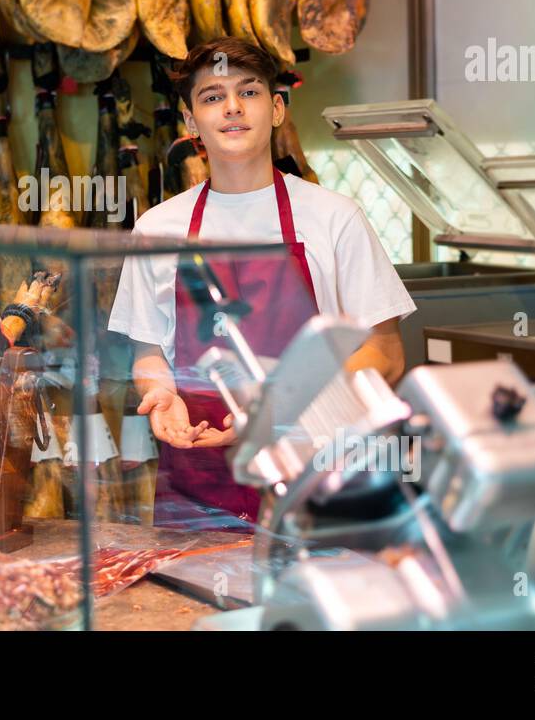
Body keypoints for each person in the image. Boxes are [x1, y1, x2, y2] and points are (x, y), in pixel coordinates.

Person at [107, 38, 416, 528]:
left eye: (248, 93)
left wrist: (281, 413)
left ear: (275, 109)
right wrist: (161, 396)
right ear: (190, 123)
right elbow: (149, 352)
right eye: (211, 97)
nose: (231, 108)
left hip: (318, 478)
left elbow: (386, 354)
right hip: (199, 489)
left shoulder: (334, 217)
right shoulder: (157, 229)